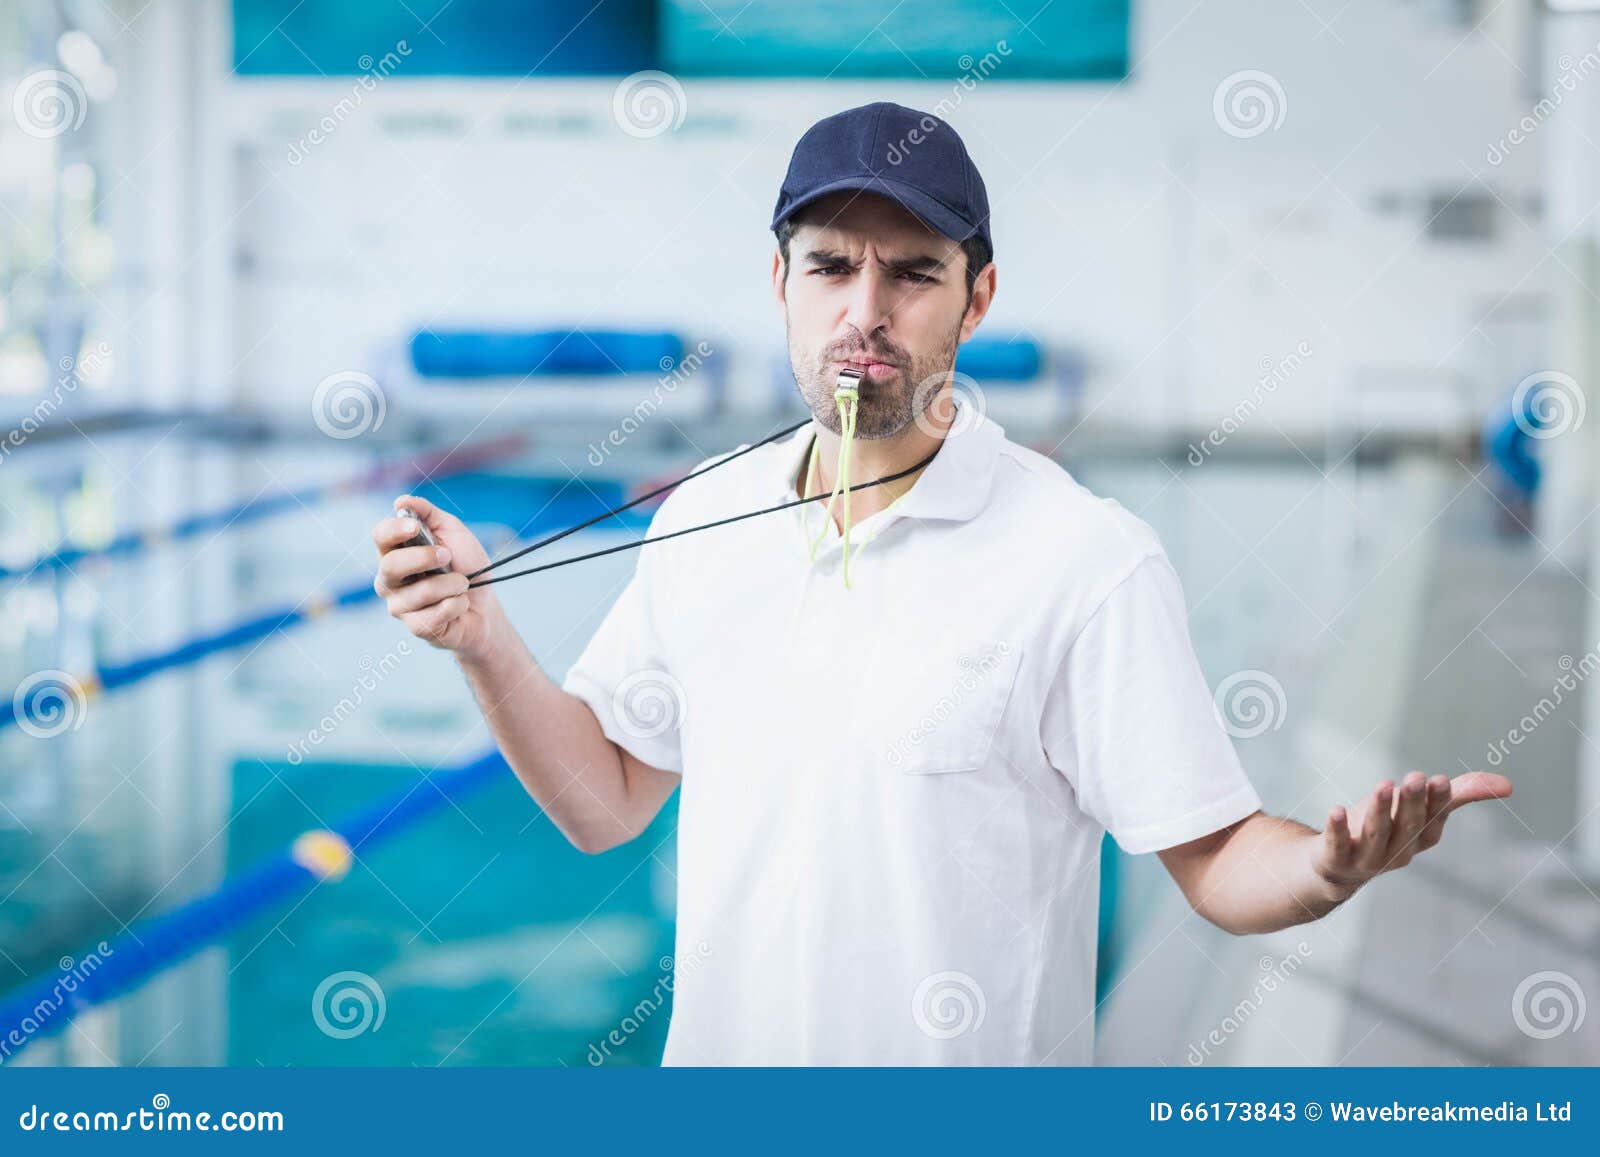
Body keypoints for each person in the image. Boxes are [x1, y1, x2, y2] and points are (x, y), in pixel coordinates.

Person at [371, 102, 1511, 1065]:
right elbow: (607, 798)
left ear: (976, 298)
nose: (863, 311)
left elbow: (1214, 858)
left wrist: (1323, 865)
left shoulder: (1081, 558)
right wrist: (484, 637)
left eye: (912, 273)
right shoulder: (707, 514)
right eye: (830, 267)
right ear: (780, 282)